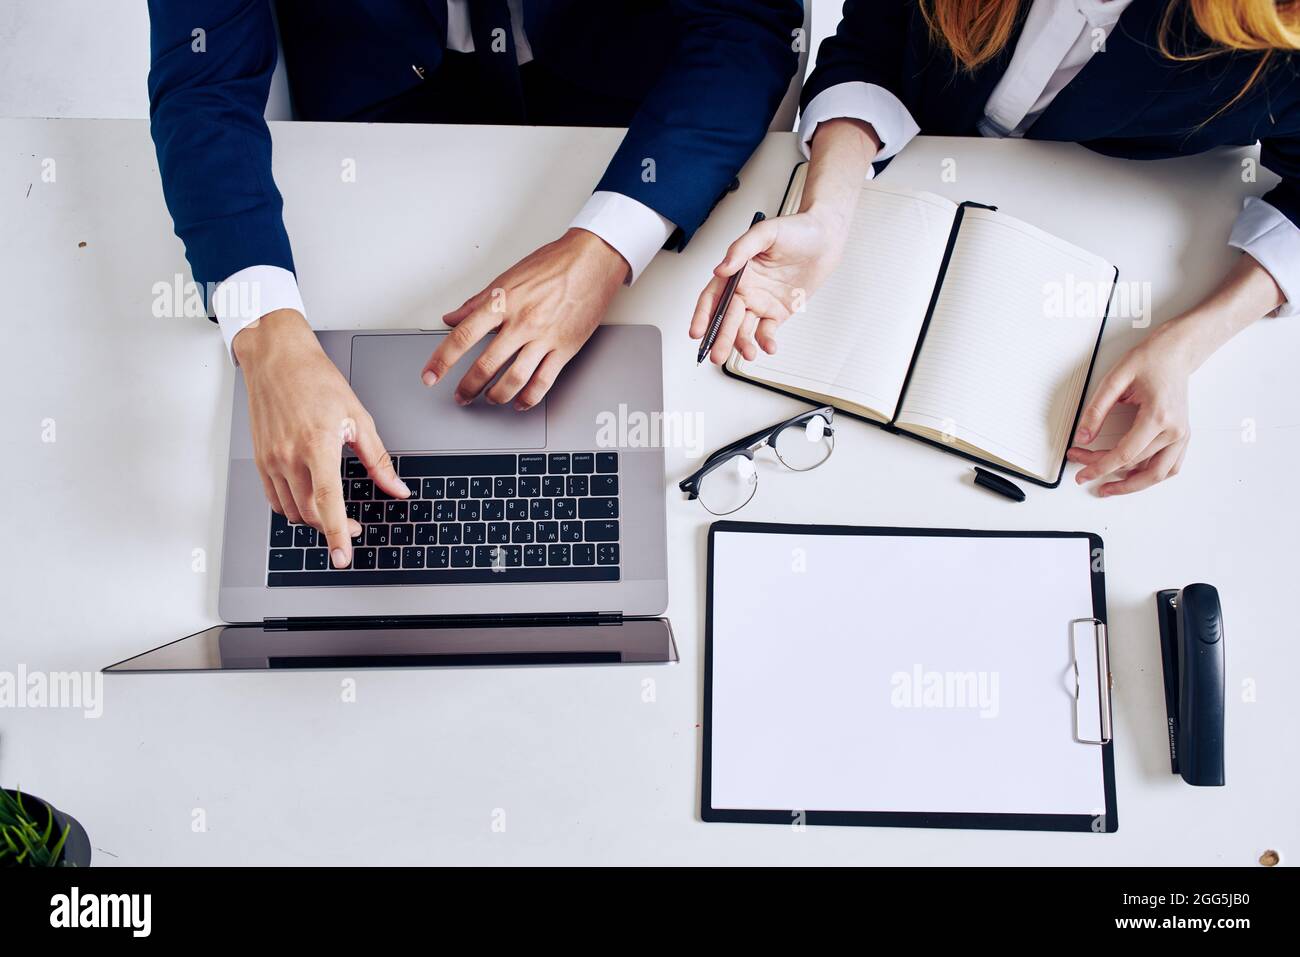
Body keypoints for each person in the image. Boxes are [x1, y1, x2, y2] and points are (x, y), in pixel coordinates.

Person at [147, 0, 802, 567]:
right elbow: (203, 83)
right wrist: (266, 333)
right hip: (372, 108)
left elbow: (743, 26)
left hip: (635, 109)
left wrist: (605, 250)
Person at [694, 0, 1299, 496]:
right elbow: (872, 44)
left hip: (1100, 224)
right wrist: (827, 209)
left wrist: (1190, 341)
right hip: (911, 166)